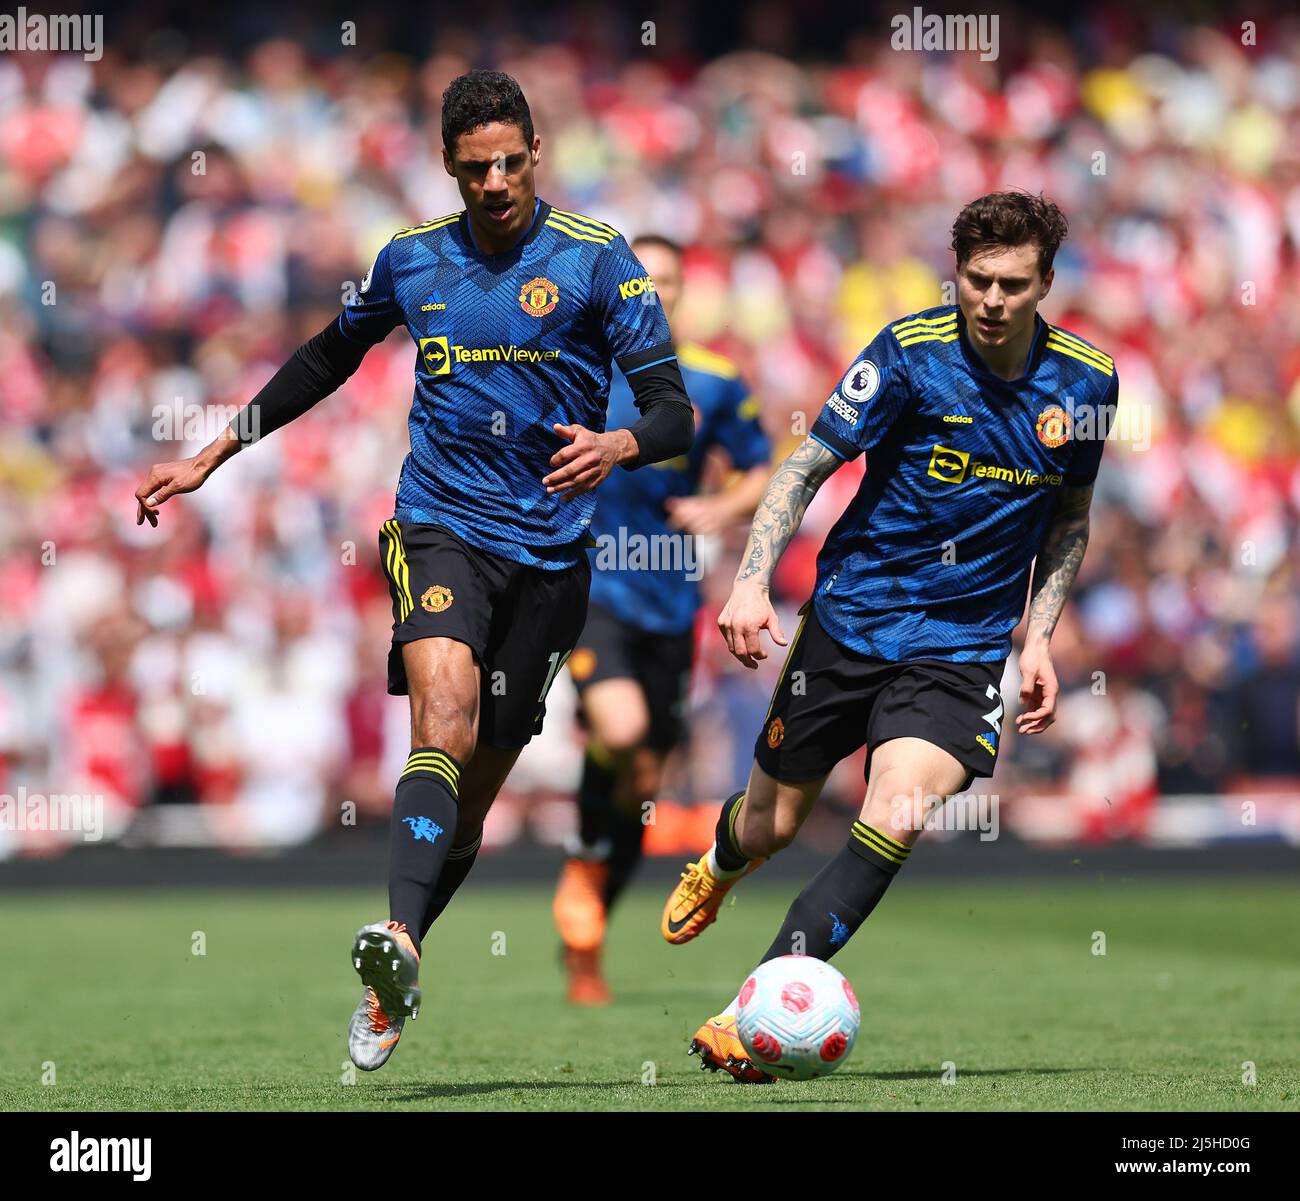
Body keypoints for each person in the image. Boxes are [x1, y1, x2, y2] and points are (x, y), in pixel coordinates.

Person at [132, 70, 694, 1073]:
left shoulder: (599, 260)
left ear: (536, 153)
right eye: (475, 167)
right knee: (444, 713)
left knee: (471, 797)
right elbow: (323, 357)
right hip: (440, 525)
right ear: (448, 166)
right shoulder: (411, 261)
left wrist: (617, 446)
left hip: (554, 560)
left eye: (511, 162)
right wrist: (213, 453)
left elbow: (671, 411)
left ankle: (401, 964)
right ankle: (392, 937)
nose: (494, 182)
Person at [658, 191, 1117, 1081]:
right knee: (771, 823)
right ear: (957, 274)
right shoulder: (909, 354)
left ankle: (749, 1013)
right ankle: (719, 861)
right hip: (851, 621)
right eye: (977, 279)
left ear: (1046, 284)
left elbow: (1071, 517)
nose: (990, 299)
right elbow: (805, 465)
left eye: (1012, 284)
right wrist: (752, 579)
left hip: (960, 648)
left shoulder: (1087, 381)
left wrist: (1039, 641)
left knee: (896, 812)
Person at [551, 235, 771, 1005]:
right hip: (592, 589)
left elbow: (764, 467)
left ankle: (589, 933)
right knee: (619, 730)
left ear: (681, 293)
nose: (655, 292)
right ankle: (580, 863)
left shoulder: (709, 382)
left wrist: (724, 504)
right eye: (642, 278)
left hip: (671, 602)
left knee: (645, 776)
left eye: (668, 280)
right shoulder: (574, 363)